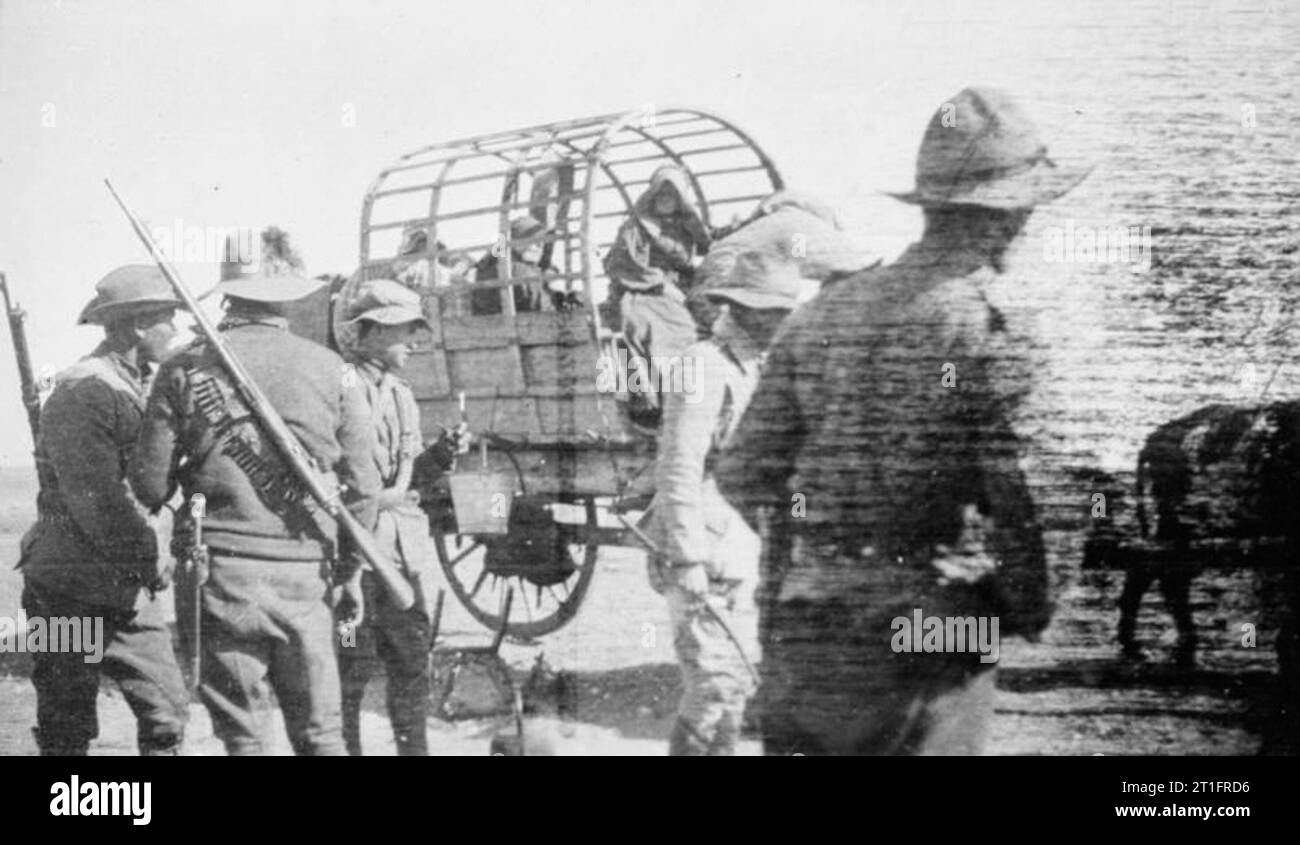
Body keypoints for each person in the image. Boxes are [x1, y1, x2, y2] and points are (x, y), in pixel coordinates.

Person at [715, 87, 1089, 755]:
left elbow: (744, 472)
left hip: (808, 623)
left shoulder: (820, 315)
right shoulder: (994, 329)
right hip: (932, 626)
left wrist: (820, 551)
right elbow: (1033, 502)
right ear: (1009, 213)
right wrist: (1011, 606)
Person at [129, 228, 381, 756]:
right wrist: (351, 572)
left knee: (245, 741)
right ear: (289, 293)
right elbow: (364, 486)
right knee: (322, 737)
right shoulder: (339, 372)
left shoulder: (183, 368)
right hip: (306, 576)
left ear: (228, 292)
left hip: (221, 577)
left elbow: (148, 486)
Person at [16, 265, 190, 756]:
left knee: (168, 713)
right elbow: (98, 502)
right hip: (67, 586)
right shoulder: (84, 389)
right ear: (137, 324)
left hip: (123, 585)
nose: (174, 331)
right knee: (67, 724)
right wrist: (148, 555)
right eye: (166, 319)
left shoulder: (138, 386)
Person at [648, 268, 817, 756]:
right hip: (707, 549)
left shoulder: (752, 366)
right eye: (778, 313)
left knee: (738, 682)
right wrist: (687, 558)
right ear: (747, 310)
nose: (786, 323)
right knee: (712, 684)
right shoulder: (703, 364)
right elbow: (678, 465)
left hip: (740, 546)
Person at [334, 279, 465, 756]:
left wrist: (440, 457)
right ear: (366, 333)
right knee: (349, 674)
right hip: (353, 561)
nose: (413, 341)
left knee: (412, 670)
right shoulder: (340, 387)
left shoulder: (401, 394)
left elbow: (404, 482)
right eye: (401, 330)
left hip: (400, 561)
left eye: (415, 330)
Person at [602, 165, 712, 421]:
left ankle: (694, 395)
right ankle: (655, 396)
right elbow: (622, 263)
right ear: (652, 196)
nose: (666, 201)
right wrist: (660, 285)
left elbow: (706, 244)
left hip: (680, 289)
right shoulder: (635, 227)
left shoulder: (686, 225)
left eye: (672, 196)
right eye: (661, 195)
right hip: (639, 288)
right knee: (646, 325)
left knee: (707, 324)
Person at [690, 190, 880, 332]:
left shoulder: (784, 221)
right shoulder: (799, 226)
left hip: (719, 271)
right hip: (725, 274)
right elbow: (797, 261)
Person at [471, 215, 556, 315]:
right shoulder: (519, 271)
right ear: (515, 243)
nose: (539, 247)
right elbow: (543, 309)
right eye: (534, 241)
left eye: (542, 242)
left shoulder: (488, 267)